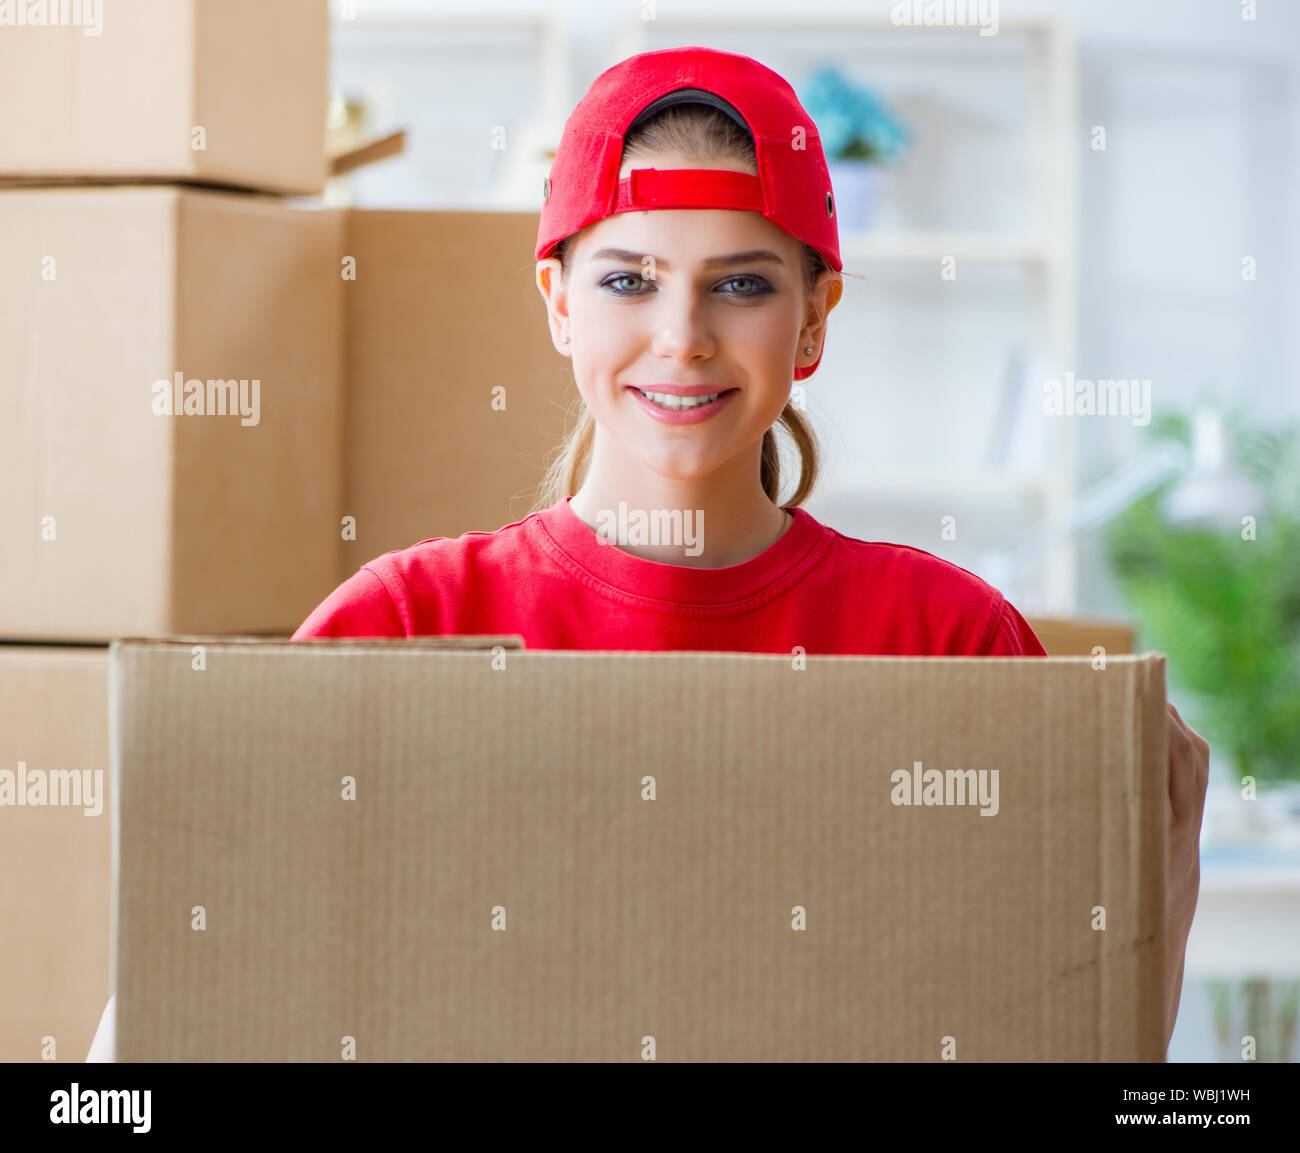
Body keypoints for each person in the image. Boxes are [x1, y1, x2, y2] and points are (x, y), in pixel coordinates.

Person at [88, 45, 1208, 1061]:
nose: (683, 336)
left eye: (742, 283)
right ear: (558, 304)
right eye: (627, 278)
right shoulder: (404, 624)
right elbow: (165, 1027)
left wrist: (1159, 871)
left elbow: (1070, 1051)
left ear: (813, 320)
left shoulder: (946, 643)